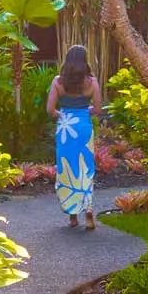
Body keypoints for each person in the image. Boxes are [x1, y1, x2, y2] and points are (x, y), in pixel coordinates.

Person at [45, 45, 102, 230]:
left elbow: (50, 109)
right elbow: (98, 109)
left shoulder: (58, 82)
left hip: (65, 129)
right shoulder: (91, 82)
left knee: (67, 169)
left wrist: (62, 114)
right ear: (84, 61)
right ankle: (89, 211)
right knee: (86, 167)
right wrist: (86, 110)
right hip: (83, 126)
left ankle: (72, 216)